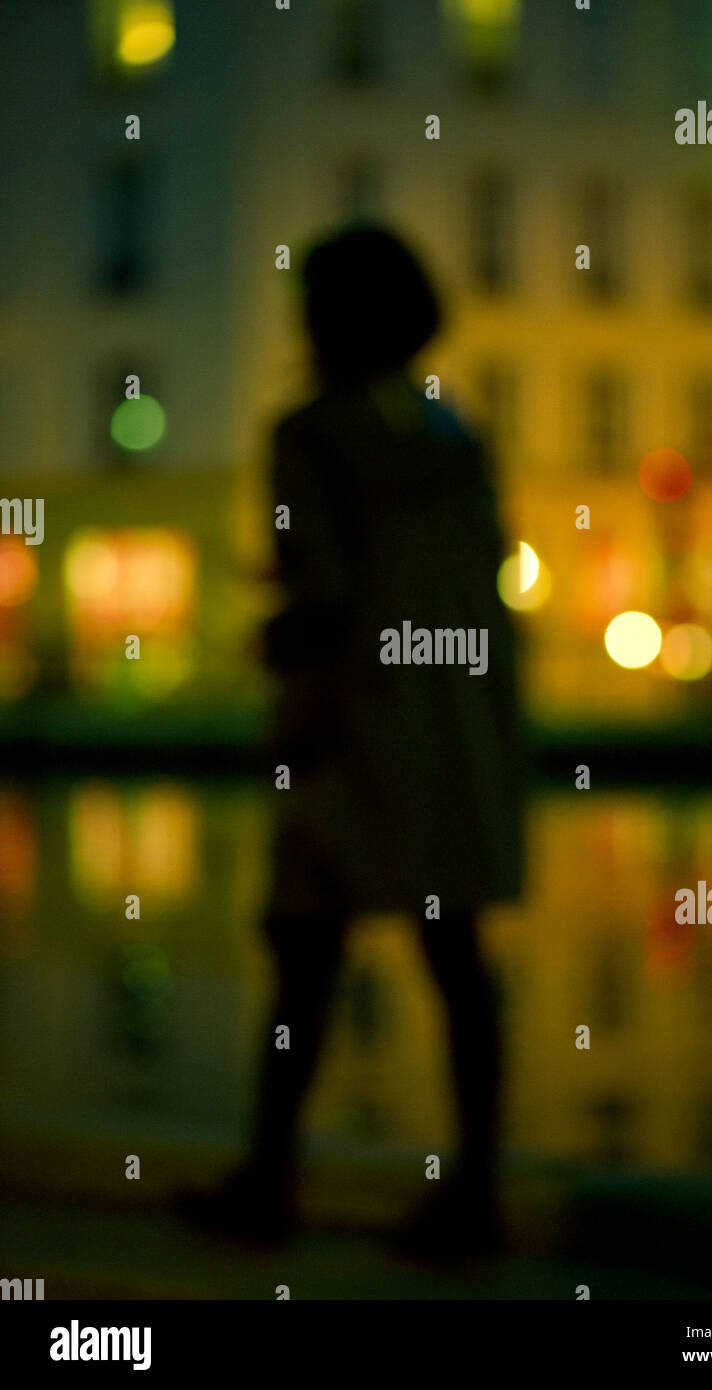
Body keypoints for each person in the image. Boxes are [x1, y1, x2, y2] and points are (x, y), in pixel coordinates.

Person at [180, 223, 524, 1259]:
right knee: (457, 962)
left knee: (303, 961)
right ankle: (474, 1195)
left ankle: (268, 1181)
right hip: (455, 735)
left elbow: (321, 597)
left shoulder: (310, 436)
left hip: (346, 737)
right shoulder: (454, 436)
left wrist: (272, 641)